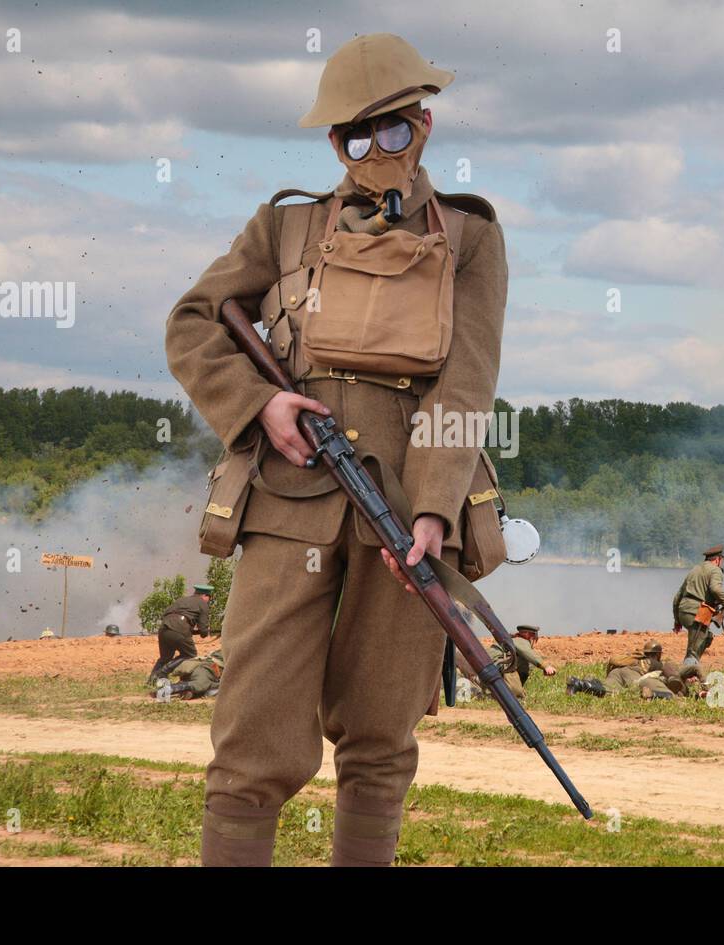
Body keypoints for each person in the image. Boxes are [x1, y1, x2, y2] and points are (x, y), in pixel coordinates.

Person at [165, 33, 507, 867]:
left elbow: (463, 391)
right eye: (357, 136)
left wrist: (430, 512)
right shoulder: (283, 229)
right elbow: (193, 323)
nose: (375, 151)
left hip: (407, 518)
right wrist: (259, 403)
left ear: (424, 125)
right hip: (289, 505)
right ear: (333, 144)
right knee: (251, 745)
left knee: (381, 742)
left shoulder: (469, 239)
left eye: (392, 130)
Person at [567, 640, 703, 701]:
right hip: (632, 675)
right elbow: (673, 674)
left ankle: (580, 683)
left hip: (617, 672)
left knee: (606, 689)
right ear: (658, 654)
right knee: (622, 694)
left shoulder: (633, 658)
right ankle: (653, 695)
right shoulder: (655, 662)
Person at [672, 545, 724, 664]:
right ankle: (688, 673)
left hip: (684, 612)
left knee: (706, 638)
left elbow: (677, 597)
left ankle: (690, 668)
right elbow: (715, 589)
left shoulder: (695, 569)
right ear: (717, 559)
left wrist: (677, 621)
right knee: (694, 649)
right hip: (697, 613)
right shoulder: (715, 570)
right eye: (721, 560)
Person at [148, 585, 212, 685]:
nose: (209, 600)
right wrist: (205, 632)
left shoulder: (181, 600)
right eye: (209, 597)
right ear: (205, 596)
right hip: (180, 627)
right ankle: (163, 672)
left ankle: (152, 680)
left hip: (164, 628)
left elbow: (165, 614)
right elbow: (203, 630)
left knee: (165, 657)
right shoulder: (202, 603)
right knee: (189, 654)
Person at [153, 649, 225, 700]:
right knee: (201, 685)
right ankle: (165, 690)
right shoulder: (228, 652)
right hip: (205, 669)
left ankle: (189, 692)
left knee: (212, 687)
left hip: (205, 673)